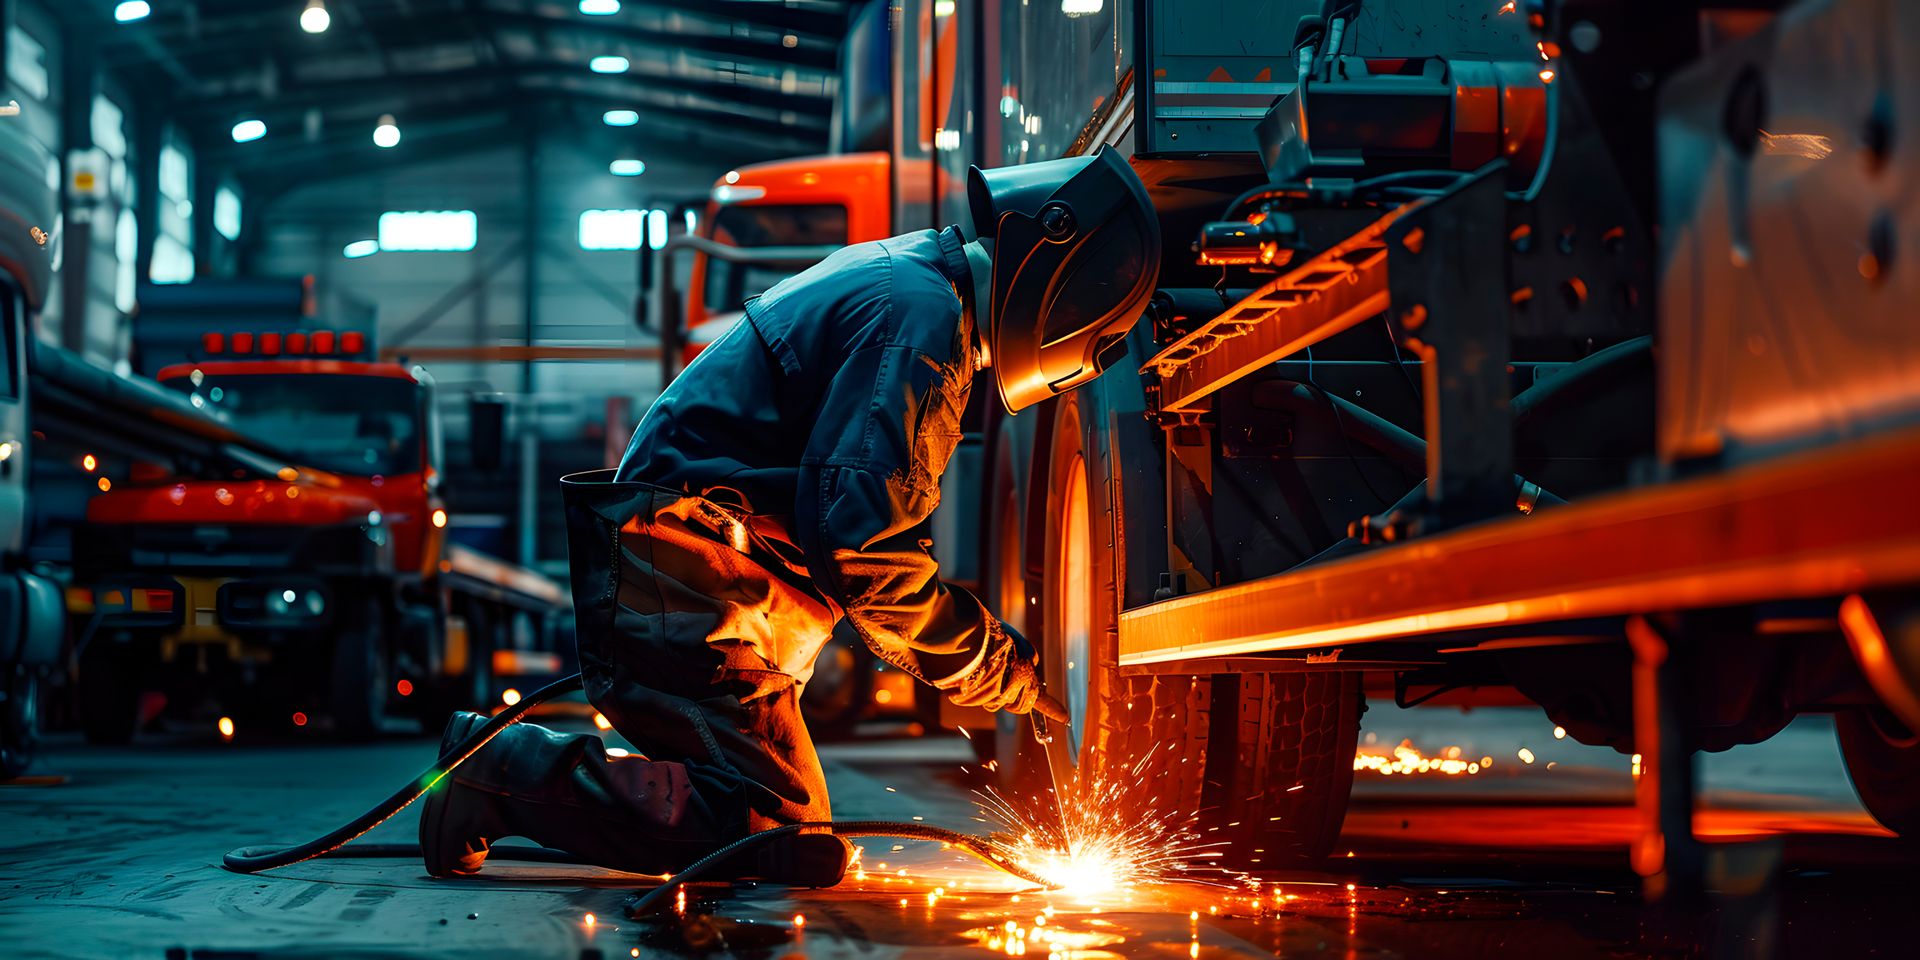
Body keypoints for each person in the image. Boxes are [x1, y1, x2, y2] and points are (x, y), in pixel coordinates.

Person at [419, 146, 1161, 885]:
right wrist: (1003, 669)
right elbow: (866, 555)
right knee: (769, 830)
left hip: (687, 571)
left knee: (784, 832)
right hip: (683, 579)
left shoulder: (912, 285)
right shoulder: (921, 325)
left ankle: (515, 773)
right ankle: (501, 769)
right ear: (1059, 288)